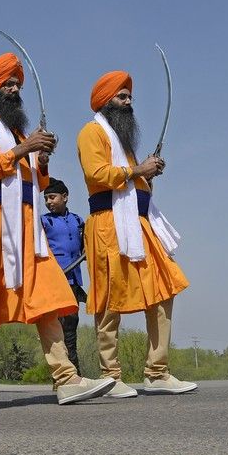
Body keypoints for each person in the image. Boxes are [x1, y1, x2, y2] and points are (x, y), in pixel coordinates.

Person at [0, 53, 114, 403]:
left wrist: (40, 161)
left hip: (30, 231)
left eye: (17, 84)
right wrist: (23, 149)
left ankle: (65, 378)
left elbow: (35, 181)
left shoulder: (17, 130)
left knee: (51, 300)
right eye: (8, 83)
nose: (15, 89)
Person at [76, 71, 195, 398]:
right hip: (108, 225)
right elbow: (97, 174)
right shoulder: (91, 132)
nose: (128, 103)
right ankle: (110, 375)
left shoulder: (122, 142)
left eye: (130, 98)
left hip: (141, 225)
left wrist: (146, 173)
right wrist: (137, 170)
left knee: (163, 289)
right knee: (111, 299)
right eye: (122, 97)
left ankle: (157, 372)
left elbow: (131, 181)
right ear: (105, 101)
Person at [40, 178, 88, 372]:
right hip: (55, 282)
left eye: (52, 197)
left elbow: (85, 248)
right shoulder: (44, 221)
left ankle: (74, 371)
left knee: (71, 327)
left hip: (74, 282)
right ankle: (62, 374)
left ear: (65, 197)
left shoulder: (77, 220)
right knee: (57, 329)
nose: (49, 202)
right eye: (46, 198)